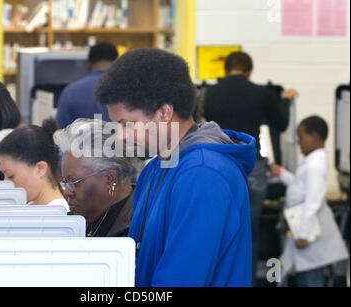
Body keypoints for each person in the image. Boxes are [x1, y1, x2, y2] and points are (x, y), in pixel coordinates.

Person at [95, 48, 256, 286]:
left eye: (127, 124)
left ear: (164, 112)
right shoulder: (155, 168)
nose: (120, 136)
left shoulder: (204, 174)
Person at [204, 51, 298, 285]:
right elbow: (282, 123)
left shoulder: (209, 94)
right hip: (251, 168)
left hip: (218, 167)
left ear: (225, 70)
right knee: (249, 229)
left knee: (218, 228)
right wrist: (284, 100)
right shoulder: (261, 93)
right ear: (249, 72)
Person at [270, 116, 349, 287]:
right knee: (301, 273)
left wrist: (303, 234)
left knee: (310, 278)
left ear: (314, 137)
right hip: (303, 229)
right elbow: (299, 186)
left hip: (309, 235)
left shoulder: (315, 165)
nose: (299, 143)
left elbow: (313, 200)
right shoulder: (312, 162)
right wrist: (282, 173)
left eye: (301, 138)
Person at [54, 119, 136, 238]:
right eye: (65, 183)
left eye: (74, 182)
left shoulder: (137, 230)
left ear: (110, 179)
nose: (67, 192)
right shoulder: (72, 224)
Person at [0, 118, 68, 210]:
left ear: (40, 168)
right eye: (4, 175)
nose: (5, 182)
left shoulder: (60, 216)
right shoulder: (29, 209)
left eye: (10, 176)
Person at [56, 43, 119, 128]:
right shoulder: (128, 91)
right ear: (117, 64)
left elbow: (59, 132)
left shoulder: (71, 92)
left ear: (88, 66)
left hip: (79, 141)